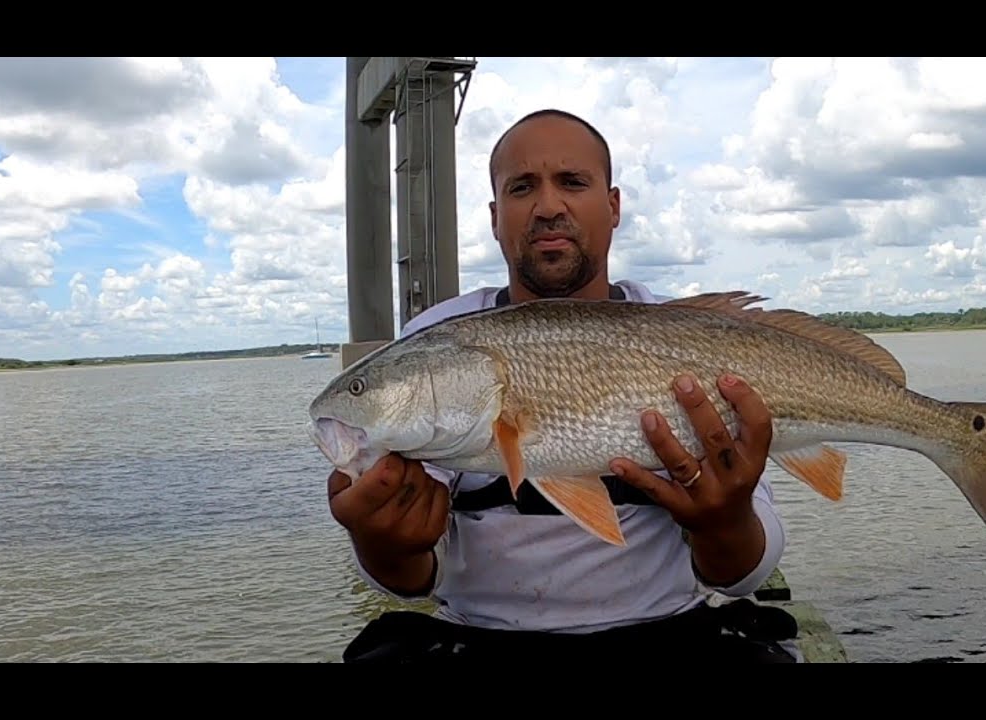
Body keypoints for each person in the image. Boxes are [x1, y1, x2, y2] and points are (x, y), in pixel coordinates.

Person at [326, 108, 798, 663]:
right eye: (522, 187)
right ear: (495, 216)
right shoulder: (437, 338)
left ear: (614, 206)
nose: (548, 206)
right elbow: (413, 579)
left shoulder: (694, 337)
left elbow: (744, 573)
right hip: (480, 637)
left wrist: (725, 523)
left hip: (672, 630)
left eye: (572, 181)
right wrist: (380, 543)